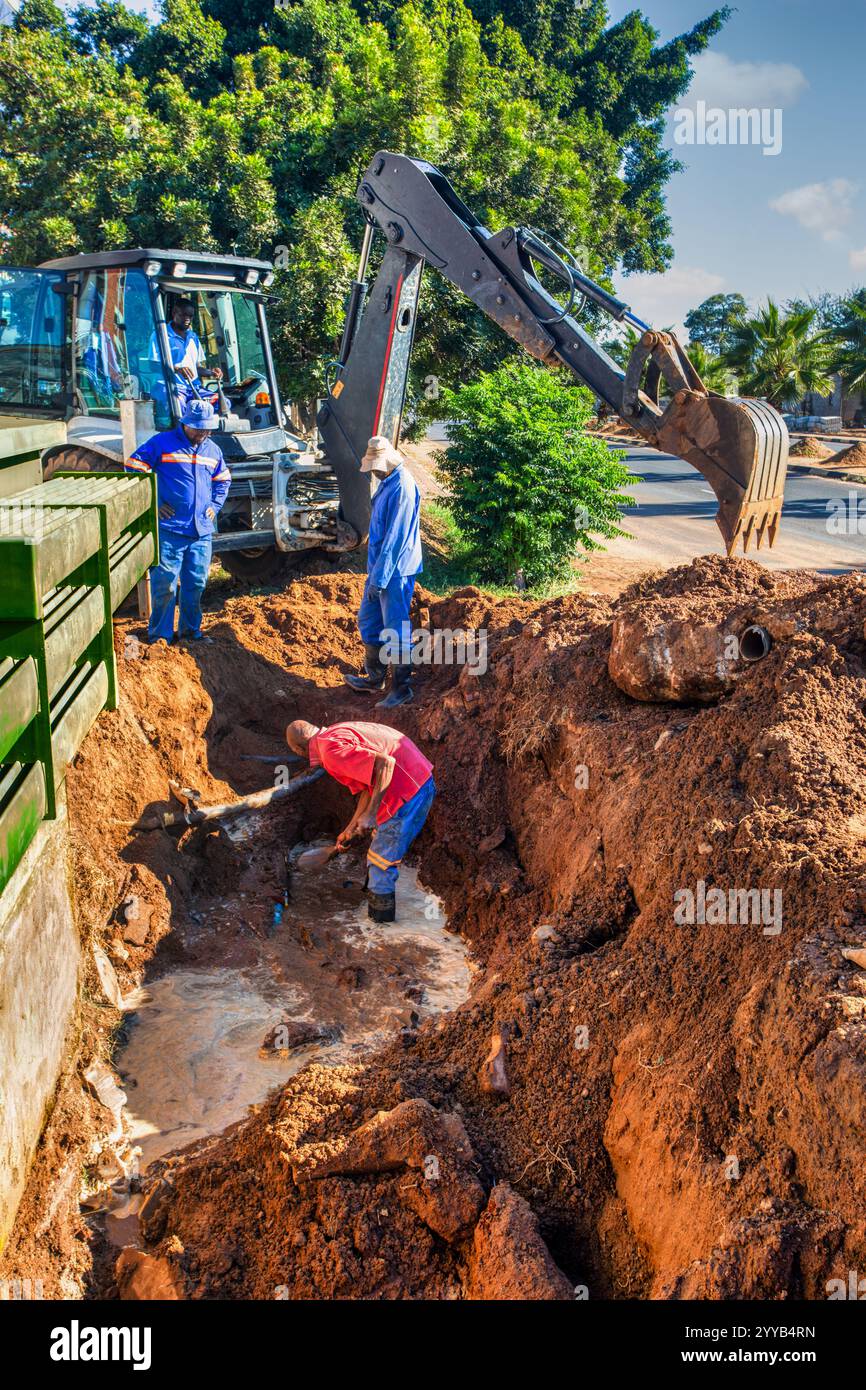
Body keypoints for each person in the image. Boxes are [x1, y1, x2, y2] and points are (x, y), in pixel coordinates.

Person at [286, 718, 435, 922]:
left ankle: (380, 928)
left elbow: (385, 763)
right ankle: (376, 905)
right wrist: (350, 828)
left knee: (380, 861)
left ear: (297, 749)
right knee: (380, 845)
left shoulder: (330, 751)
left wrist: (372, 814)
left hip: (408, 792)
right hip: (418, 779)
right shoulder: (335, 733)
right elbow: (368, 785)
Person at [125, 400, 231, 644]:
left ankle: (190, 632)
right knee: (166, 585)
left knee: (195, 583)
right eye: (199, 429)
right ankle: (160, 636)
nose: (203, 433)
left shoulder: (212, 449)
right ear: (185, 424)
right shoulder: (162, 443)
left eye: (207, 429)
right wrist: (154, 501)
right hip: (170, 530)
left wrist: (214, 506)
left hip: (201, 532)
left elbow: (223, 480)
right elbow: (134, 467)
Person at [344, 435, 422, 709]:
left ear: (387, 461)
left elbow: (395, 540)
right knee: (368, 620)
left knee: (396, 630)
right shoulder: (388, 482)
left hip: (396, 571)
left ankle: (402, 689)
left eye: (376, 465)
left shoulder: (402, 486)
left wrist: (379, 579)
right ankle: (375, 678)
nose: (373, 471)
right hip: (380, 569)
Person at [150, 297, 223, 410]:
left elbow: (196, 368)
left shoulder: (193, 337)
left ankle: (205, 428)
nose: (187, 319)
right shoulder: (160, 335)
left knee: (223, 402)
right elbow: (153, 366)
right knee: (178, 407)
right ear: (174, 312)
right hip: (171, 387)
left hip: (193, 388)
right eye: (184, 315)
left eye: (190, 316)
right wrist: (177, 369)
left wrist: (211, 372)